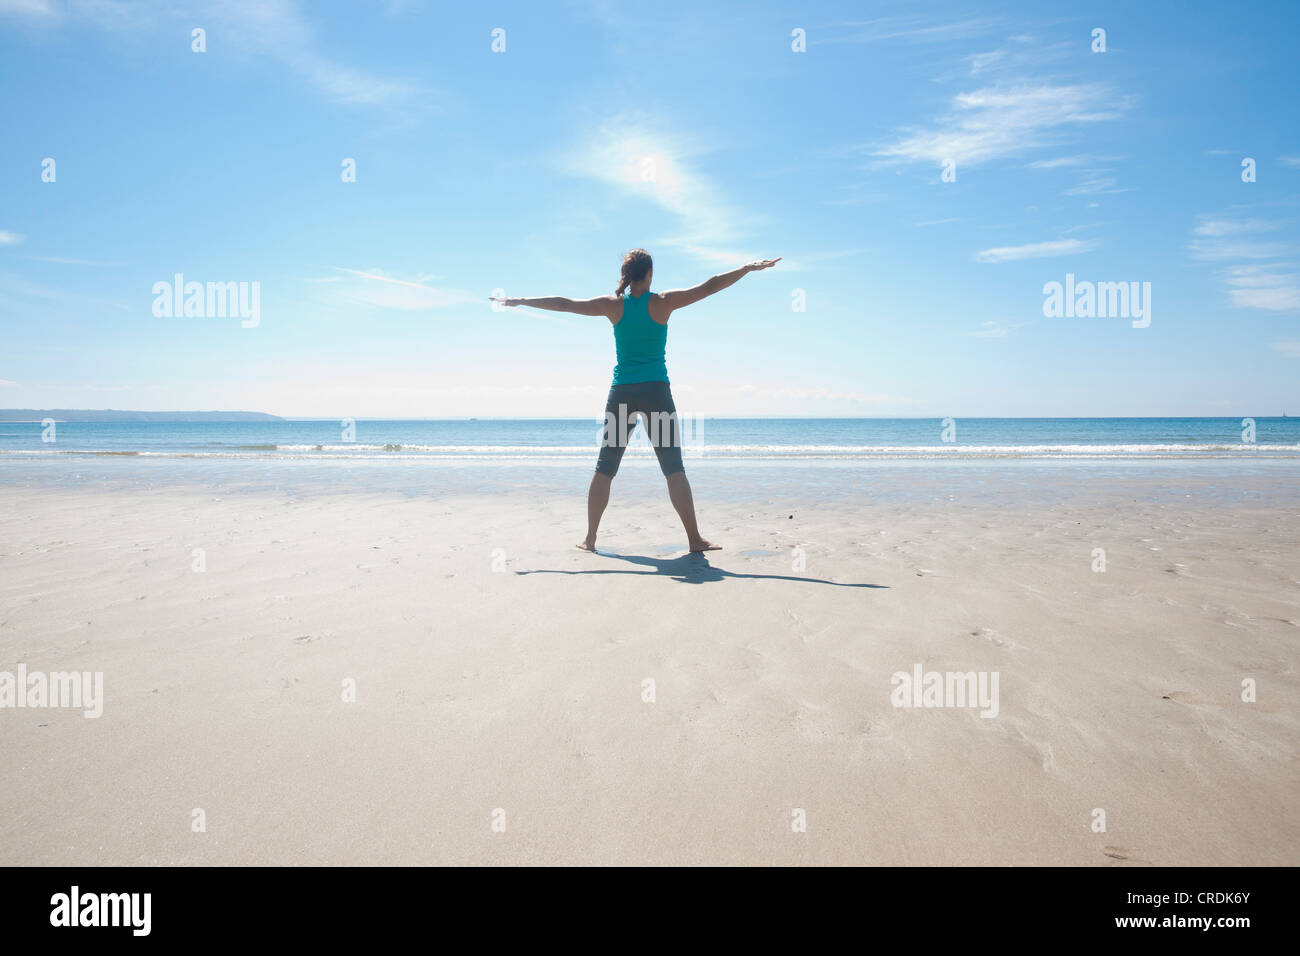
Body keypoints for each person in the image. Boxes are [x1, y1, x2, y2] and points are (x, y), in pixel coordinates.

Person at [491, 249, 780, 552]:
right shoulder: (664, 302)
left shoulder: (613, 306)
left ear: (628, 275)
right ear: (650, 273)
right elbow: (709, 286)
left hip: (623, 394)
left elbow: (564, 304)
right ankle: (694, 539)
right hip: (656, 391)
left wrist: (522, 301)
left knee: (605, 468)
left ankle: (590, 539)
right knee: (673, 468)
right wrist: (746, 268)